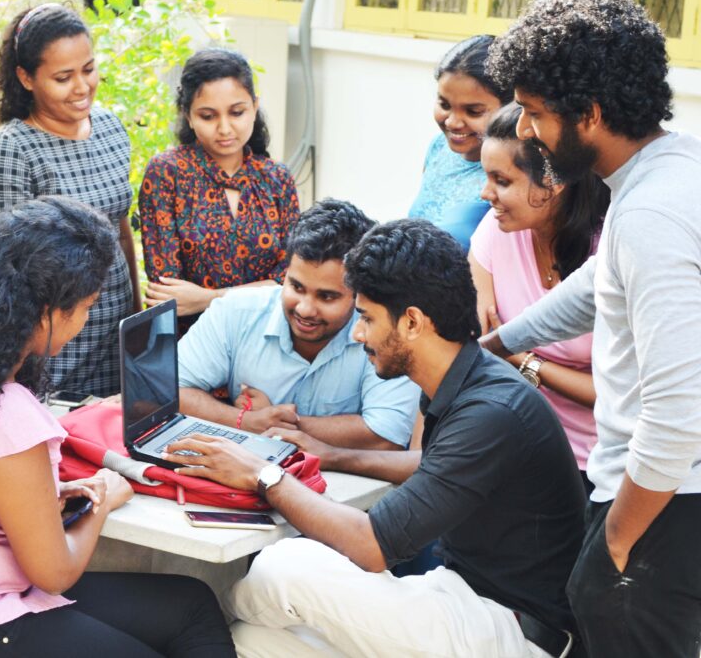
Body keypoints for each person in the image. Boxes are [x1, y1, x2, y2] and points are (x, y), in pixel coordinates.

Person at [167, 219, 585, 658]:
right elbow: (432, 465)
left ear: (411, 323)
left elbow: (373, 546)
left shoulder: (492, 411)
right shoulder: (467, 379)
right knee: (252, 644)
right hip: (457, 602)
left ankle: (196, 616)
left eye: (366, 317)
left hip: (507, 632)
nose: (357, 333)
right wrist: (333, 456)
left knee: (282, 566)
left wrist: (263, 474)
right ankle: (209, 628)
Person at [0, 198, 234, 658]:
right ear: (45, 311)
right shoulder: (4, 411)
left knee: (189, 604)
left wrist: (47, 496)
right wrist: (104, 498)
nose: (86, 321)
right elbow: (54, 573)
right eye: (86, 307)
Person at [483, 0, 701, 657]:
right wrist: (497, 343)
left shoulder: (649, 218)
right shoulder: (674, 167)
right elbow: (601, 284)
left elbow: (678, 410)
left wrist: (616, 543)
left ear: (593, 114)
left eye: (538, 113)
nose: (524, 129)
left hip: (663, 508)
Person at [0, 3, 138, 397]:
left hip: (115, 331)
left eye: (88, 69)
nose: (82, 87)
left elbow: (121, 230)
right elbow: (13, 270)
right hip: (57, 342)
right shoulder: (10, 150)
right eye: (64, 77)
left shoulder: (110, 128)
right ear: (26, 78)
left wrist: (134, 312)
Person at [178, 199, 418, 452]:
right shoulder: (235, 311)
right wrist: (246, 421)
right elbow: (170, 391)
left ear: (360, 292)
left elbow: (386, 436)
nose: (304, 308)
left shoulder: (388, 332)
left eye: (326, 296)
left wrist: (279, 423)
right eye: (296, 287)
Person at [470, 102, 609, 494]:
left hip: (600, 465)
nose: (486, 193)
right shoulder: (496, 231)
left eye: (502, 180)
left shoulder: (610, 253)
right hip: (518, 446)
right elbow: (476, 340)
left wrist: (524, 360)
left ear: (554, 182)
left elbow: (617, 394)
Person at [139, 48, 300, 333]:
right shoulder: (167, 173)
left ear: (254, 106)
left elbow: (289, 281)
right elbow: (168, 292)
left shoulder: (277, 179)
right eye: (208, 116)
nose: (225, 128)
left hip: (265, 336)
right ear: (188, 116)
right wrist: (247, 294)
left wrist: (208, 298)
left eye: (237, 112)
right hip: (191, 341)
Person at [409, 35, 512, 251]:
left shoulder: (516, 171)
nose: (453, 122)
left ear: (508, 107)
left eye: (473, 112)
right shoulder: (439, 147)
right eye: (444, 105)